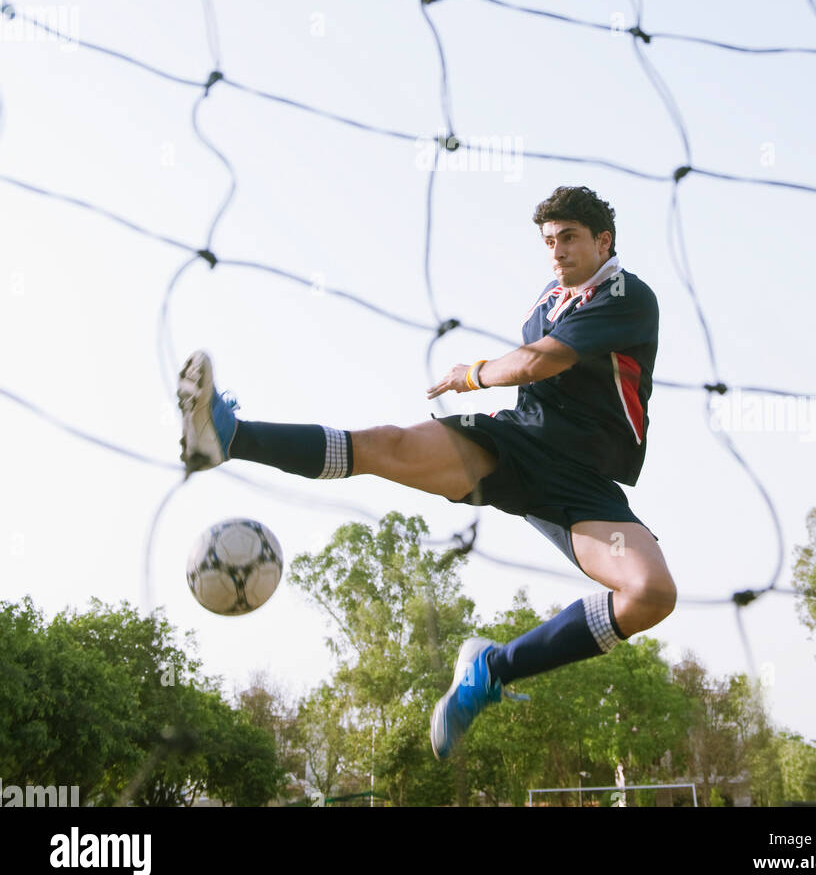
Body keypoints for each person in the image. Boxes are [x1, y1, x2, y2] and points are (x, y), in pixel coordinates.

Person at [176, 184, 677, 760]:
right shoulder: (549, 297)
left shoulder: (626, 295)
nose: (557, 251)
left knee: (651, 593)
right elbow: (538, 369)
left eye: (569, 238)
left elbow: (544, 360)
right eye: (548, 241)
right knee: (384, 446)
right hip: (515, 445)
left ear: (603, 240)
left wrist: (474, 373)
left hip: (582, 481)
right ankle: (229, 437)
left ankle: (491, 670)